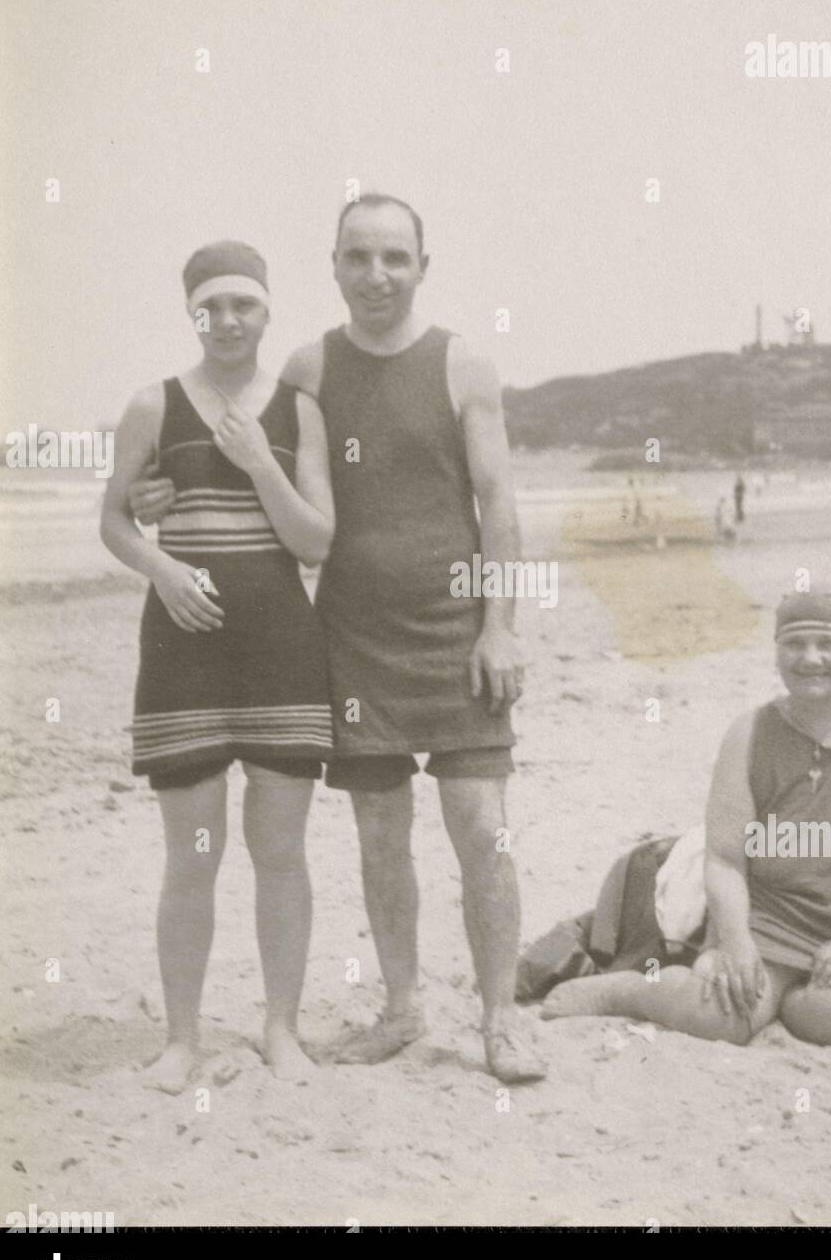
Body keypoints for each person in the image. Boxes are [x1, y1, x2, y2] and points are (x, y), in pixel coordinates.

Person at [129, 198, 544, 1083]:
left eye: (395, 257)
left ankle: (502, 1018)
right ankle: (400, 1010)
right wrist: (153, 501)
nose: (377, 275)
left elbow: (499, 502)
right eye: (359, 257)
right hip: (349, 638)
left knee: (481, 831)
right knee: (379, 835)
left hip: (455, 634)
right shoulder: (308, 366)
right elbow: (240, 455)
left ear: (423, 264)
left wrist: (499, 626)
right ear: (333, 265)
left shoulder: (462, 361)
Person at [102, 241, 335, 1092]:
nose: (229, 321)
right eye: (212, 307)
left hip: (280, 644)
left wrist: (257, 461)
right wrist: (163, 569)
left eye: (245, 305)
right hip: (183, 648)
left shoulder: (297, 411)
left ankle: (281, 1029)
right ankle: (182, 1039)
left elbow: (316, 541)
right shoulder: (151, 405)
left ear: (268, 311)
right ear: (192, 313)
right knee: (191, 855)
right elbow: (116, 524)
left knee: (280, 850)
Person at [542, 589, 831, 1048]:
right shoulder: (750, 732)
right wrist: (736, 944)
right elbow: (724, 858)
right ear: (776, 653)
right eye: (794, 644)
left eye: (827, 643)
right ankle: (628, 991)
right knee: (719, 1016)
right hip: (775, 925)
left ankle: (793, 1002)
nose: (811, 658)